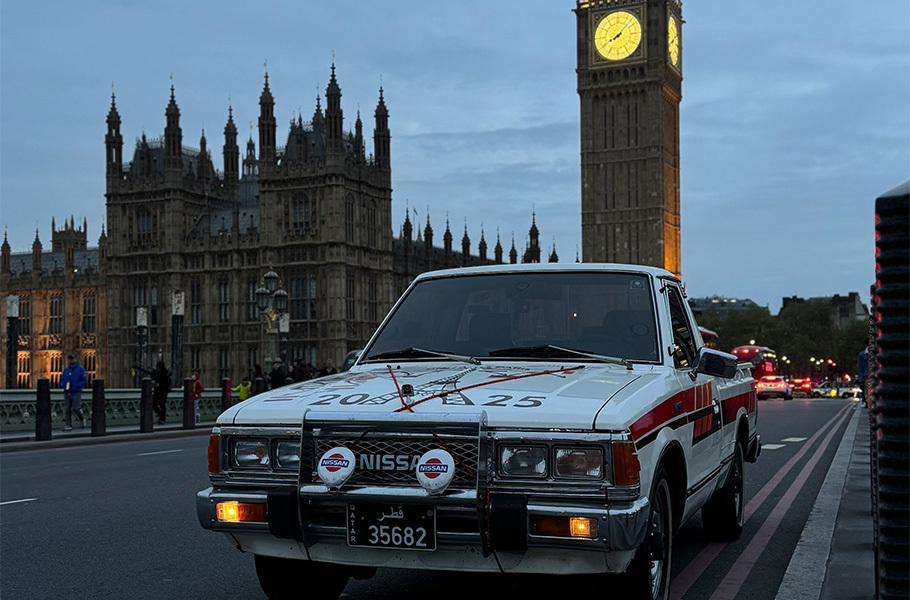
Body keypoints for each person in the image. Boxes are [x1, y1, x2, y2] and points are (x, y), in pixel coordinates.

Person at [60, 354, 87, 431]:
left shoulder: (80, 369)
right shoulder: (66, 370)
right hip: (67, 392)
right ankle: (68, 425)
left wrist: (77, 386)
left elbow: (84, 380)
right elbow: (61, 378)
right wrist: (63, 385)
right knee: (67, 409)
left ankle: (82, 418)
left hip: (76, 392)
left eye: (72, 359)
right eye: (69, 359)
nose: (71, 360)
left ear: (76, 359)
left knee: (76, 408)